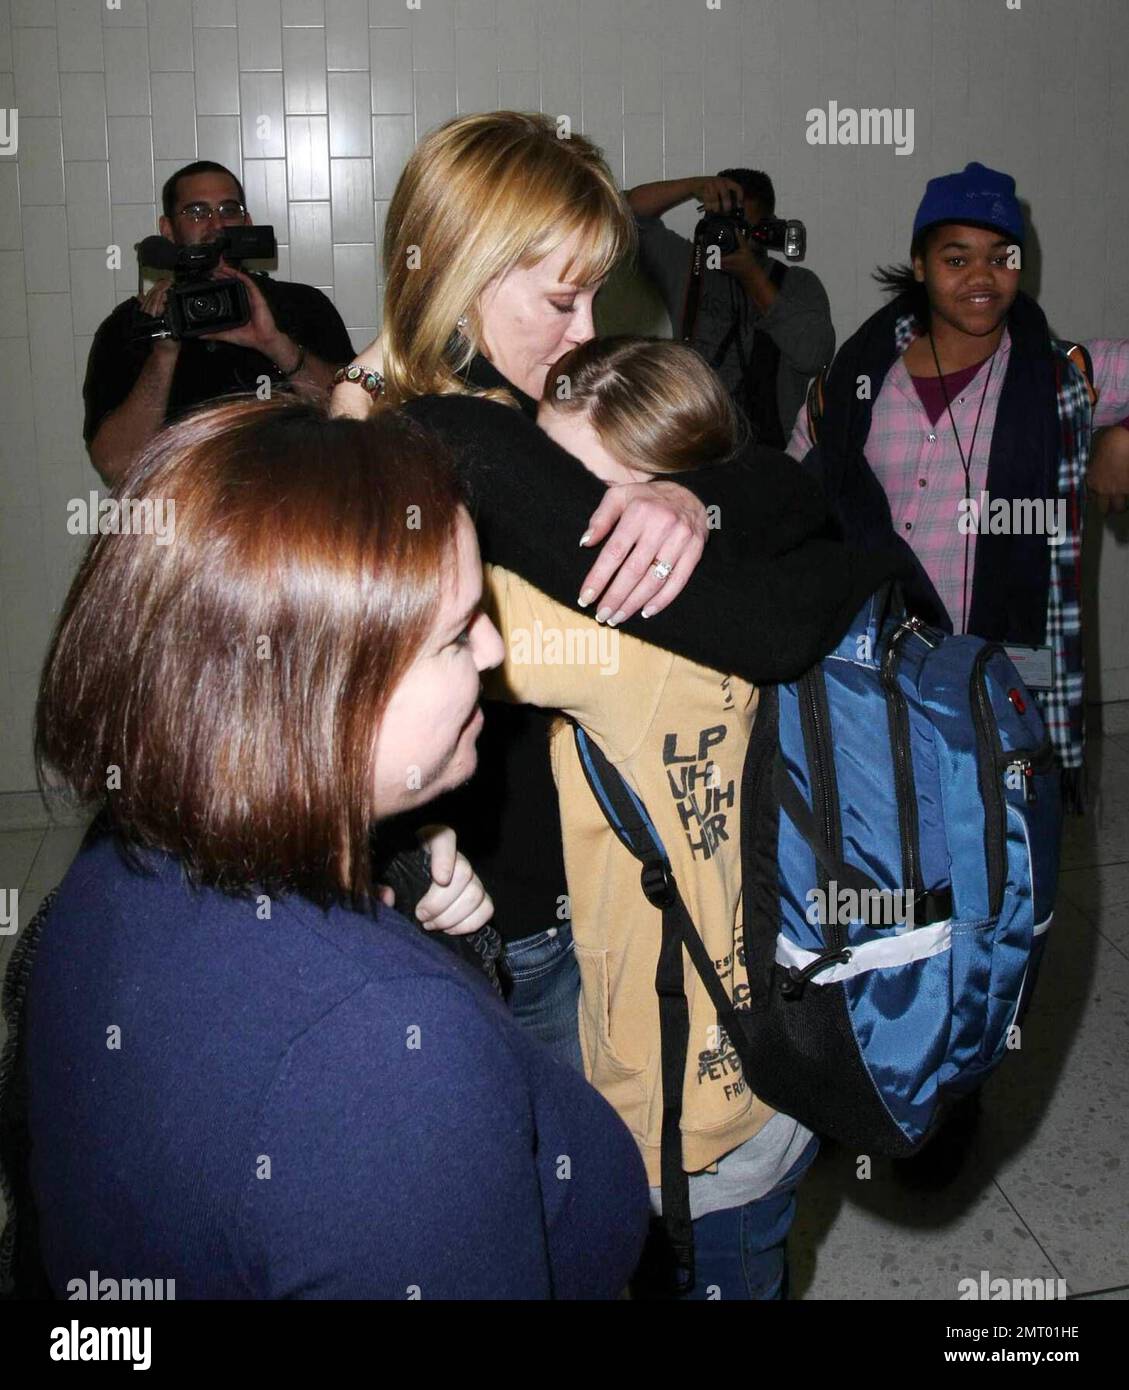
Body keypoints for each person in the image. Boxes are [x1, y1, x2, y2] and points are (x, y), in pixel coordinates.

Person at [19, 396, 651, 1299]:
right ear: (315, 698)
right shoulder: (382, 1064)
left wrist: (379, 875)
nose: (492, 650)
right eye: (454, 634)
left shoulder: (111, 866)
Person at [332, 111, 909, 1077]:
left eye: (595, 296)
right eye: (563, 299)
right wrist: (874, 569)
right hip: (522, 928)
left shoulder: (419, 405)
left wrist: (688, 498)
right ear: (465, 274)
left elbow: (759, 469)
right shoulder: (469, 440)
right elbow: (768, 626)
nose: (586, 332)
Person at [786, 159, 1129, 1186]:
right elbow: (799, 490)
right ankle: (881, 1059)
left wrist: (1120, 433)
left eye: (999, 257)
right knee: (892, 868)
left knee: (996, 880)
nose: (980, 277)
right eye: (956, 257)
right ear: (921, 263)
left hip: (1003, 688)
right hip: (885, 677)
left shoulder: (1067, 373)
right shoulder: (854, 379)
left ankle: (961, 1075)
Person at [483, 335, 821, 1300]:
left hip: (683, 1119)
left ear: (657, 496)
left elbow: (399, 602)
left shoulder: (606, 624)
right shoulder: (747, 577)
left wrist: (367, 387)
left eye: (572, 492)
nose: (545, 516)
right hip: (773, 1063)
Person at [83, 160, 355, 486]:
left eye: (229, 210)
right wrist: (163, 354)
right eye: (197, 212)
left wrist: (277, 346)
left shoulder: (301, 305)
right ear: (168, 230)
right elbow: (116, 466)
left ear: (247, 223)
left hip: (293, 506)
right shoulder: (131, 326)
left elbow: (355, 419)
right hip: (185, 513)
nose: (216, 225)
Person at [624, 170, 835, 446]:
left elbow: (815, 357)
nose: (731, 235)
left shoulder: (797, 284)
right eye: (725, 224)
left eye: (743, 227)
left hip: (769, 453)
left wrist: (752, 277)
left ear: (766, 228)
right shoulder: (689, 267)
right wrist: (694, 186)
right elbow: (625, 213)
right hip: (693, 447)